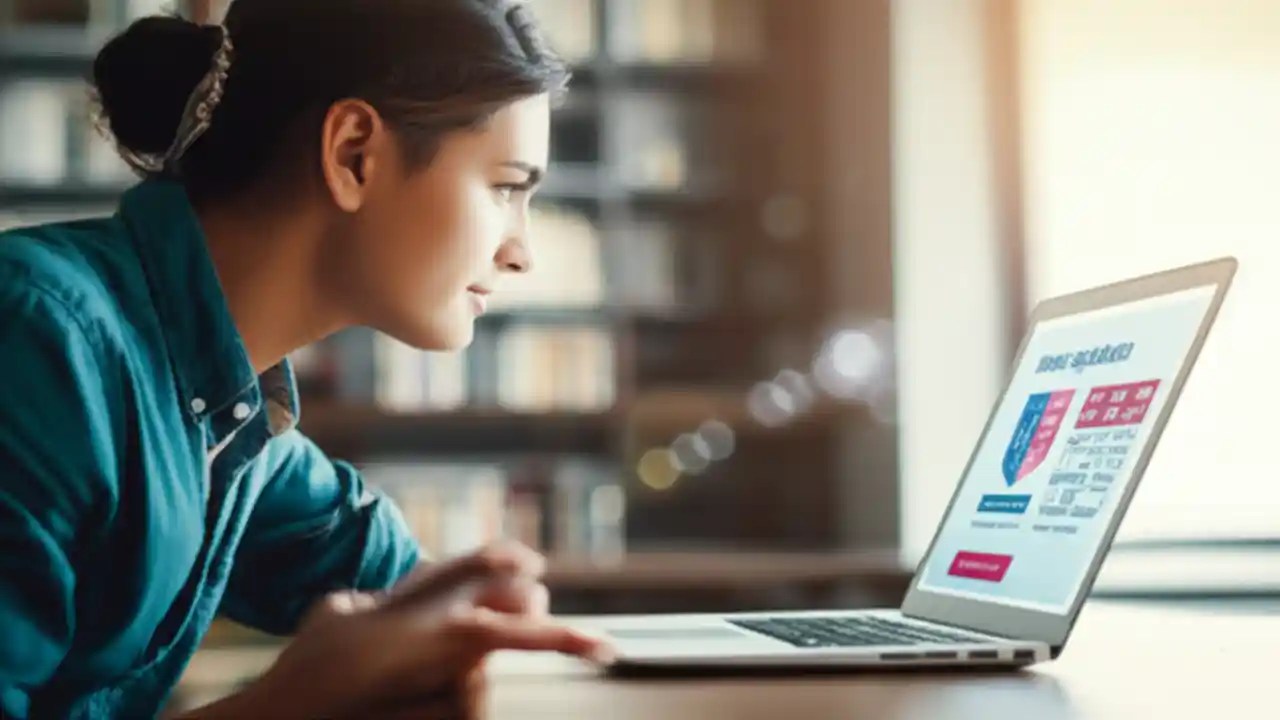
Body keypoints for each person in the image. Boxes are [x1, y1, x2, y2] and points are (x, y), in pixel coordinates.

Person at [0, 1, 613, 717]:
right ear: (354, 152)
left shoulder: (231, 419)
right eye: (506, 187)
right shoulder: (41, 344)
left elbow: (384, 572)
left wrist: (472, 610)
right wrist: (290, 704)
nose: (523, 252)